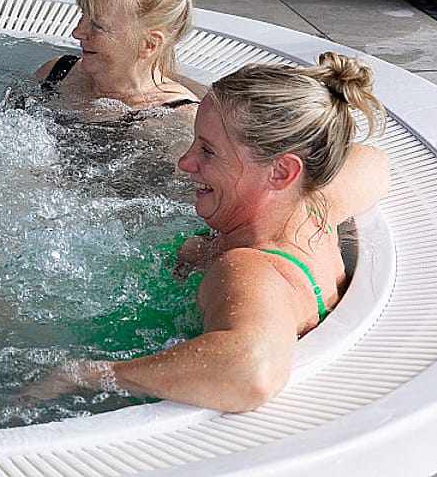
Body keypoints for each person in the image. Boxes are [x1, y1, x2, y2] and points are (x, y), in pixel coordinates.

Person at [25, 52, 390, 412]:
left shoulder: (247, 267)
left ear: (281, 172)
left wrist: (91, 375)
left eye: (209, 151)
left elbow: (252, 371)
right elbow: (375, 162)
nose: (186, 162)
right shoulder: (311, 209)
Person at [31, 0, 203, 119]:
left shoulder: (177, 118)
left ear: (148, 44)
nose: (77, 33)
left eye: (97, 26)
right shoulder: (56, 73)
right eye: (83, 15)